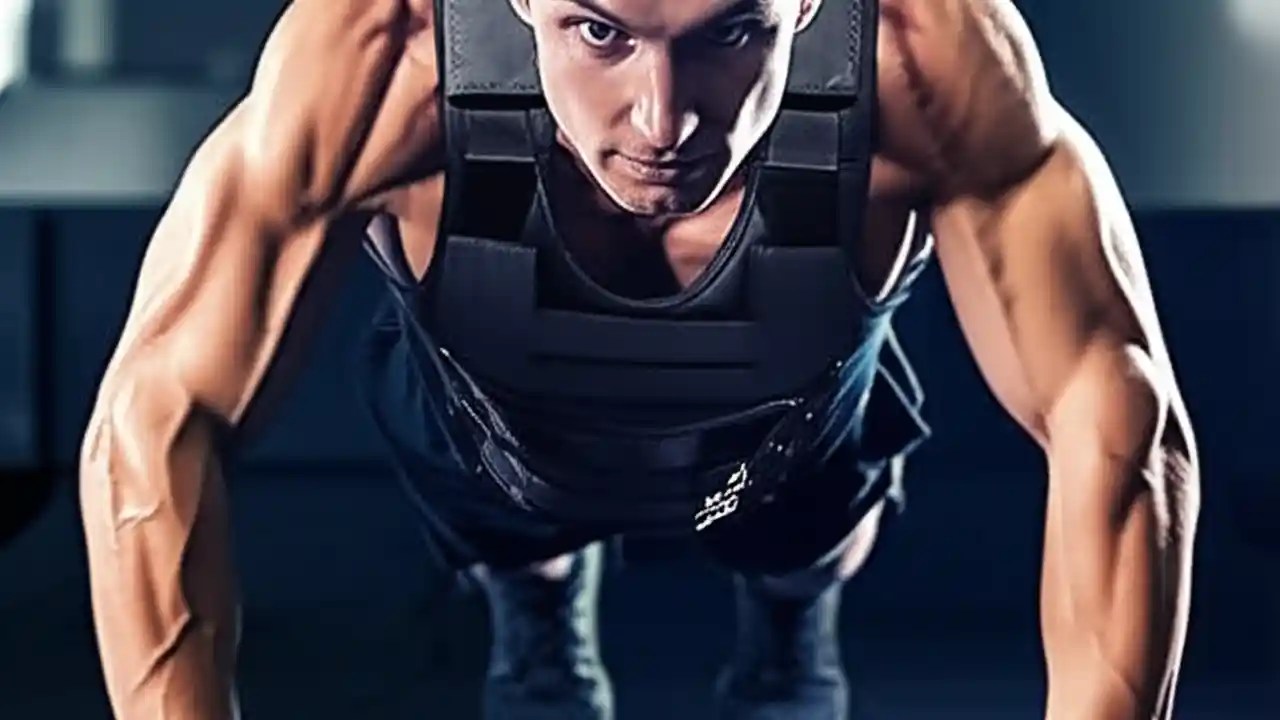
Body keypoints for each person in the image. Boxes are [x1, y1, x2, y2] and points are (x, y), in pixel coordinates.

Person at [77, 0, 1201, 718]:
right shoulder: (382, 57)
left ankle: (786, 620)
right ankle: (537, 608)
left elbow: (1119, 417)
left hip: (783, 431)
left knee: (807, 526)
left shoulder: (923, 53)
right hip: (493, 429)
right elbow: (155, 415)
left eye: (732, 32)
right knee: (512, 508)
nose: (664, 119)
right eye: (599, 32)